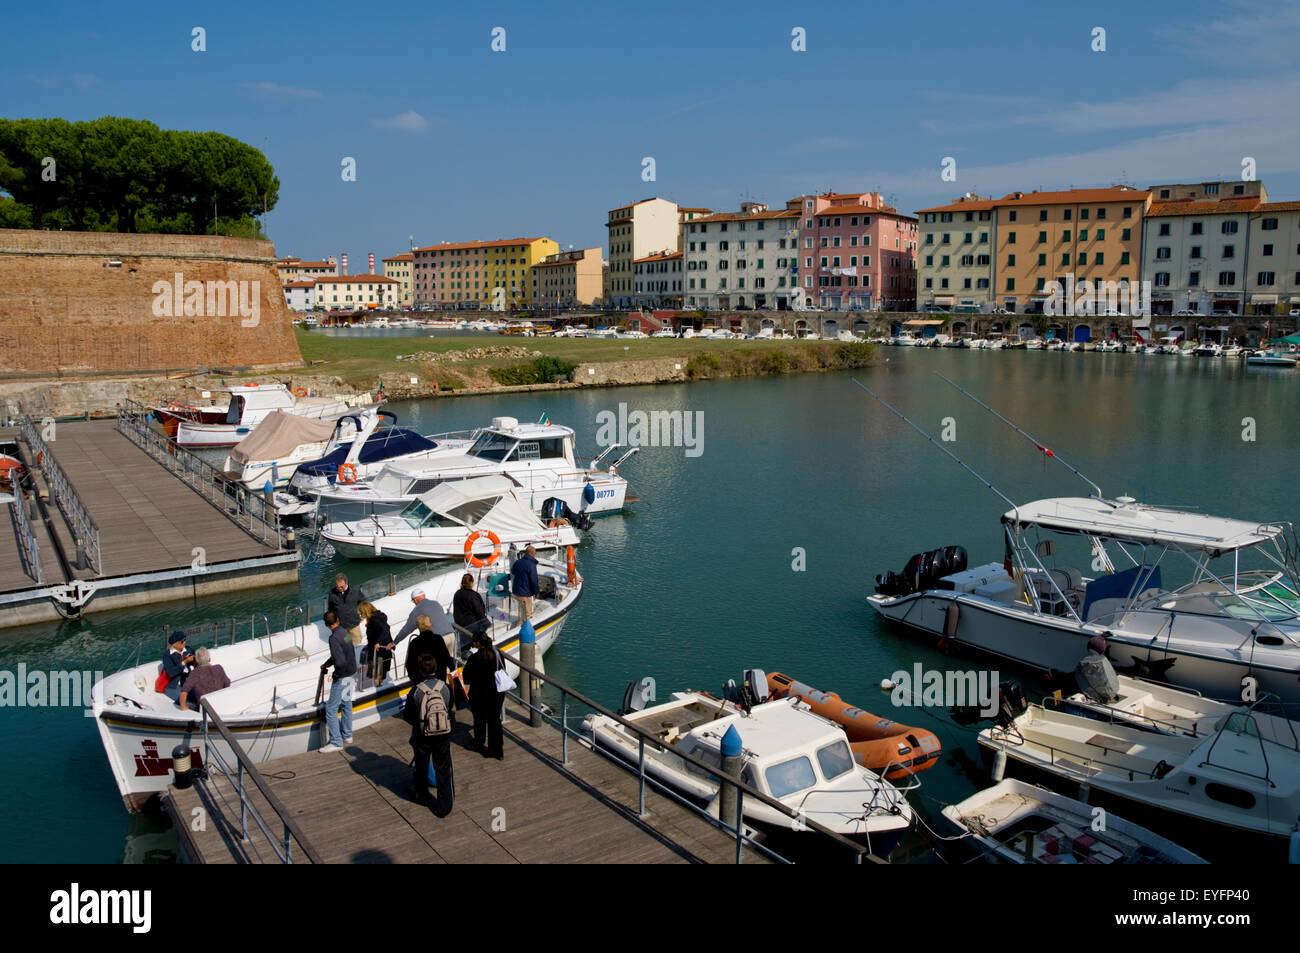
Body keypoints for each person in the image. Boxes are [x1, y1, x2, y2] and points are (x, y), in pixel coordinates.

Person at [401, 648, 455, 815]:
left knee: (422, 765)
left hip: (423, 734)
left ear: (420, 670)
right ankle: (445, 804)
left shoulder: (416, 691)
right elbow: (450, 705)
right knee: (444, 768)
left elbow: (408, 715)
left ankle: (422, 795)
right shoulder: (444, 688)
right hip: (443, 733)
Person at [461, 631, 505, 759]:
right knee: (495, 721)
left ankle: (478, 743)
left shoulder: (474, 658)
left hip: (479, 694)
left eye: (474, 641)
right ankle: (497, 750)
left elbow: (467, 678)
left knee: (479, 720)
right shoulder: (497, 654)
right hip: (497, 693)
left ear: (478, 643)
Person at [319, 610, 357, 752]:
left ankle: (336, 742)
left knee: (331, 708)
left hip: (342, 675)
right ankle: (347, 735)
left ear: (326, 625)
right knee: (346, 703)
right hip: (351, 672)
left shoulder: (334, 638)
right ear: (338, 620)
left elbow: (339, 660)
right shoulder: (345, 633)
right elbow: (347, 651)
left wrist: (336, 674)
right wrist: (328, 663)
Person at [391, 588, 454, 654]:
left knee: (435, 662)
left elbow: (406, 629)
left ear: (415, 600)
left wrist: (395, 642)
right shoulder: (436, 603)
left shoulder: (417, 610)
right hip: (452, 634)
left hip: (438, 639)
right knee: (449, 660)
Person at [178, 647, 231, 712]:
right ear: (209, 659)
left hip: (203, 706)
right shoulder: (219, 668)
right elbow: (227, 683)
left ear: (197, 661)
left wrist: (183, 707)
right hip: (218, 702)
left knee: (188, 691)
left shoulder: (195, 672)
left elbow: (184, 691)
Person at [452, 573, 491, 652]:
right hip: (473, 626)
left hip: (461, 626)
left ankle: (465, 653)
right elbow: (479, 611)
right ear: (471, 582)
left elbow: (456, 610)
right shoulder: (473, 595)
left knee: (465, 645)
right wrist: (487, 623)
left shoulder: (457, 594)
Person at [408, 615, 453, 684]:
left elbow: (410, 664)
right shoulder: (438, 639)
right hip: (440, 680)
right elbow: (446, 658)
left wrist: (414, 678)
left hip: (421, 682)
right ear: (430, 624)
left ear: (418, 626)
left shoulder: (414, 643)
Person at [327, 573, 366, 650]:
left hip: (354, 624)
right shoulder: (332, 593)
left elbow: (363, 602)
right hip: (342, 627)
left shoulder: (355, 590)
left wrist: (363, 615)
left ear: (346, 583)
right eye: (338, 587)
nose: (340, 588)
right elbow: (331, 608)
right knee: (347, 644)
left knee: (357, 645)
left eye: (342, 586)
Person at [358, 601, 392, 685]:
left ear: (365, 611)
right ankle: (378, 684)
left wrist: (378, 642)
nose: (361, 615)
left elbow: (385, 629)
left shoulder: (374, 619)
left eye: (361, 613)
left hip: (381, 650)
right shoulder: (376, 617)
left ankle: (379, 686)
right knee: (379, 673)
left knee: (379, 674)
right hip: (380, 648)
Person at [160, 631, 195, 701]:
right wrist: (184, 662)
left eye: (185, 640)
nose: (184, 642)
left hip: (188, 680)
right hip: (176, 684)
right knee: (184, 701)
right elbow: (171, 672)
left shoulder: (188, 650)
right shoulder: (168, 655)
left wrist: (193, 659)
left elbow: (195, 662)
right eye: (182, 641)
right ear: (175, 644)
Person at [511, 545, 540, 621]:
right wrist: (536, 592)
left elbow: (513, 572)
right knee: (527, 615)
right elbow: (534, 580)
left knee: (521, 612)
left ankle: (521, 623)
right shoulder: (531, 565)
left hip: (516, 591)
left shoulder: (518, 562)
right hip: (525, 593)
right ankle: (525, 629)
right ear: (533, 554)